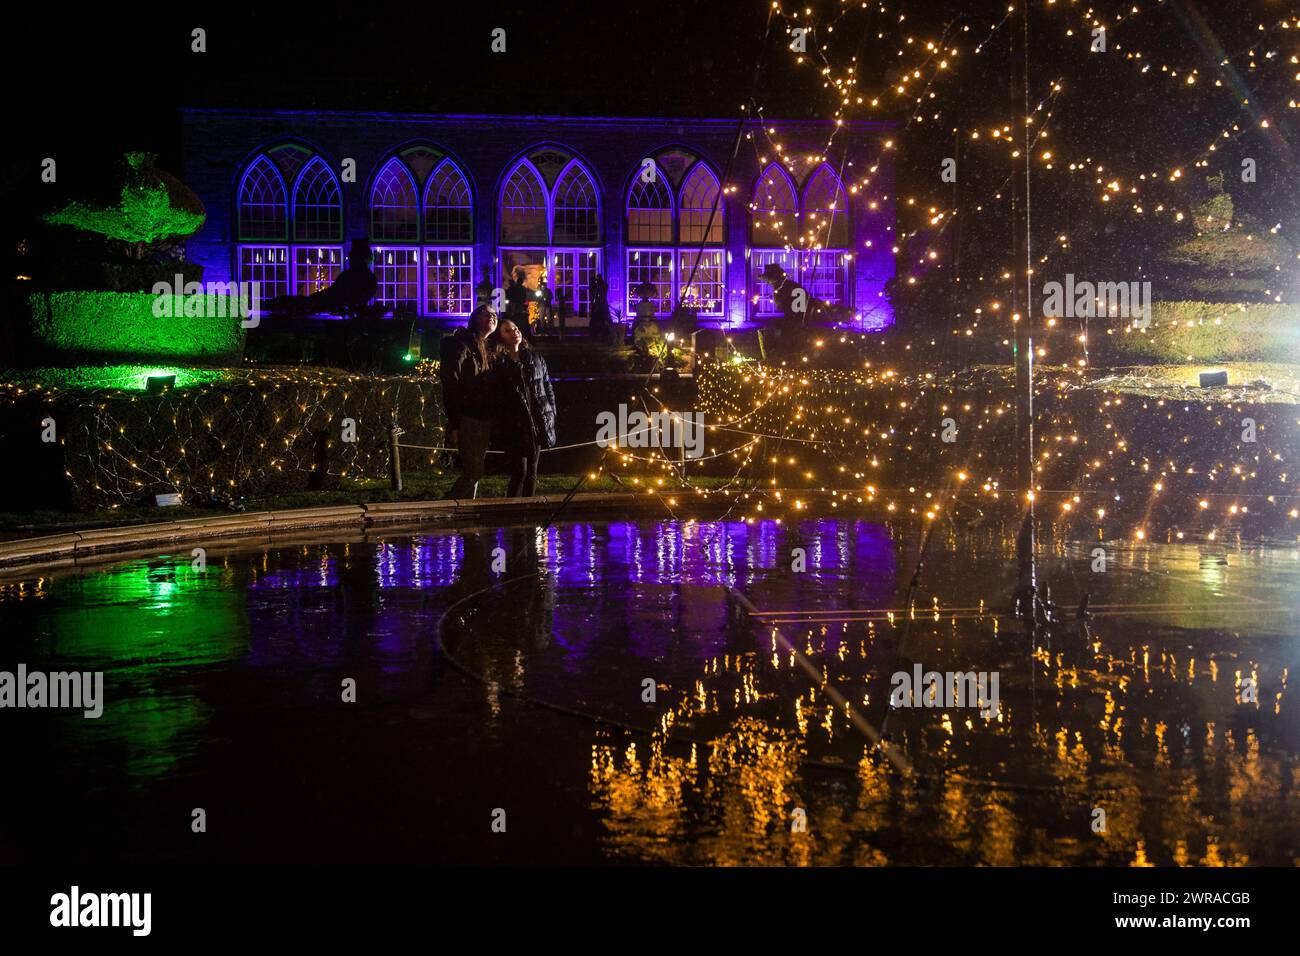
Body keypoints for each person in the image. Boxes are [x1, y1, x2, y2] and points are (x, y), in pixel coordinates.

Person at [490, 318, 556, 498]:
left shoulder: (534, 357)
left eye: (516, 328)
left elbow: (547, 386)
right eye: (508, 331)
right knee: (520, 471)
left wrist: (551, 412)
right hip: (516, 424)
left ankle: (529, 511)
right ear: (500, 337)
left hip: (537, 420)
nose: (514, 332)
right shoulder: (500, 364)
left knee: (533, 472)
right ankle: (512, 511)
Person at [439, 305, 498, 499]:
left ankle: (466, 513)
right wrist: (455, 423)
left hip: (484, 415)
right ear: (475, 319)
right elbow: (451, 383)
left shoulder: (487, 348)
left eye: (494, 315)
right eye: (486, 314)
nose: (491, 317)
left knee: (475, 468)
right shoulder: (460, 345)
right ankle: (449, 505)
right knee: (475, 470)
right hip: (468, 416)